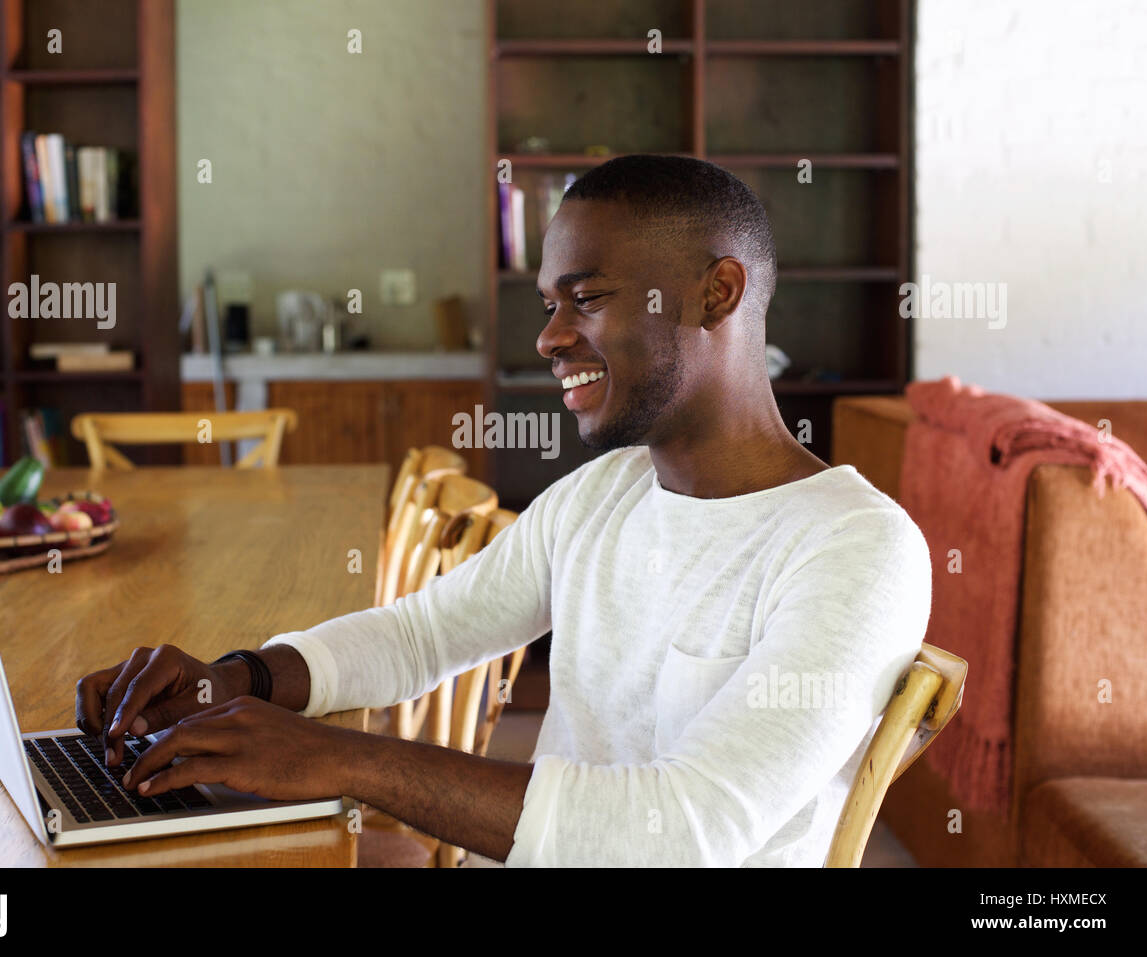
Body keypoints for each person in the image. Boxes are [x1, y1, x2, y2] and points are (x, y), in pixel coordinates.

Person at [75, 155, 932, 866]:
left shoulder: (856, 549)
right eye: (549, 305)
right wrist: (234, 680)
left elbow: (681, 833)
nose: (550, 337)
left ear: (718, 294)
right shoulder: (607, 493)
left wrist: (341, 758)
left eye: (586, 298)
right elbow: (422, 635)